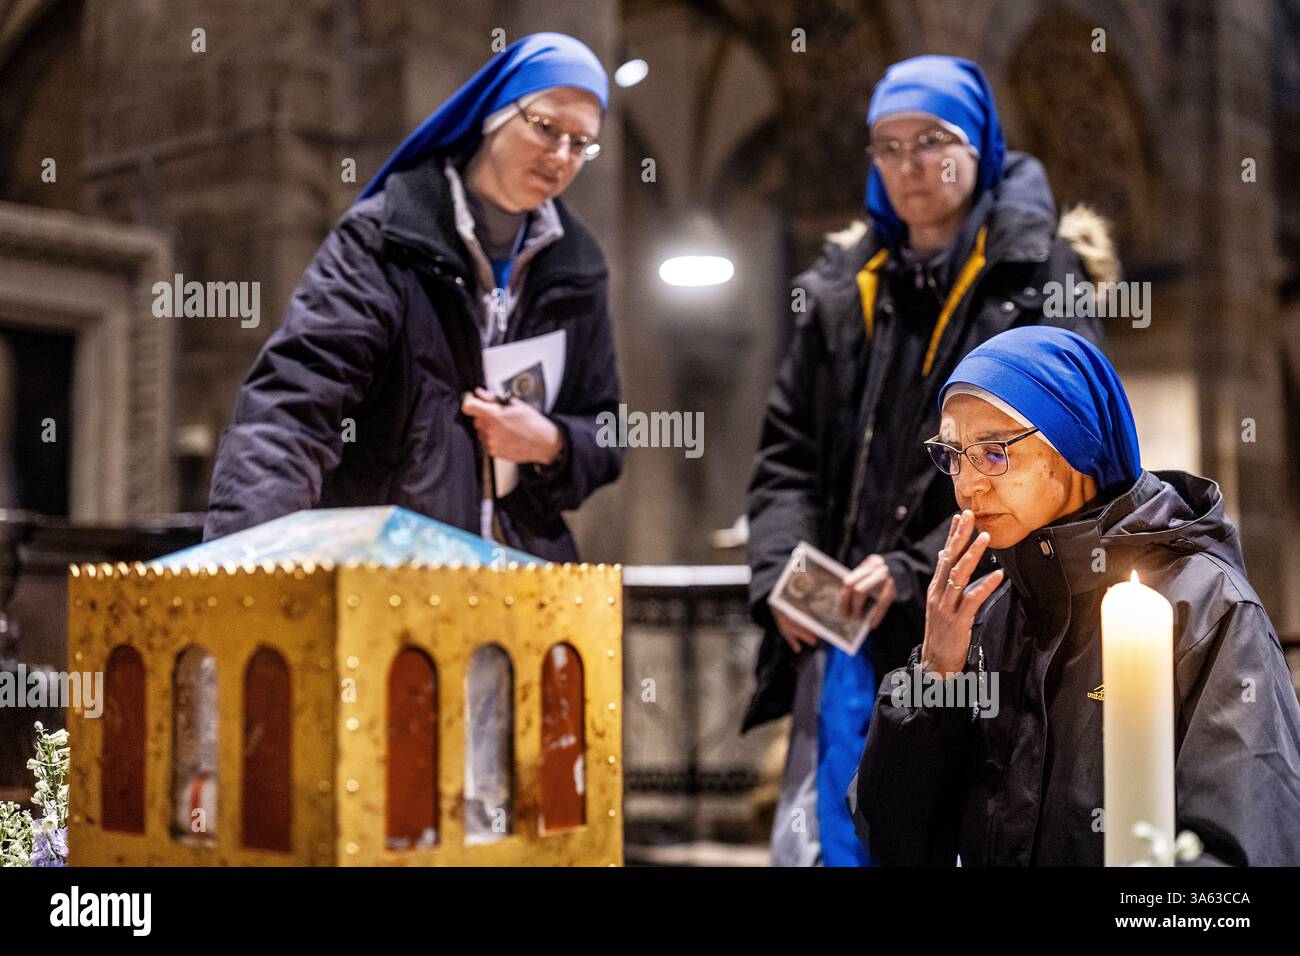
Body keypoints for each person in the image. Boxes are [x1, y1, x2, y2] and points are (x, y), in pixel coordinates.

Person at [744, 54, 1113, 867]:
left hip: (982, 618)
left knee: (949, 833)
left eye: (933, 141)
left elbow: (1054, 461)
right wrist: (780, 571)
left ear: (979, 143)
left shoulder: (1038, 273)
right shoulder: (842, 287)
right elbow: (787, 457)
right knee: (839, 836)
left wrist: (913, 569)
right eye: (888, 145)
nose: (910, 166)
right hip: (840, 633)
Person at [850, 325, 1300, 866]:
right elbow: (897, 841)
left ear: (1075, 446)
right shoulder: (991, 614)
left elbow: (1244, 849)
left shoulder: (1205, 608)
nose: (967, 485)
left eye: (992, 453)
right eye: (953, 453)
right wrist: (932, 681)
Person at [203, 33, 622, 561]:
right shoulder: (387, 236)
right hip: (398, 565)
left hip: (526, 567)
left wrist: (553, 443)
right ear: (495, 110)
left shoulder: (579, 265)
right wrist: (245, 564)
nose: (561, 156)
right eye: (546, 127)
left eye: (581, 143)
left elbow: (605, 429)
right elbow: (293, 403)